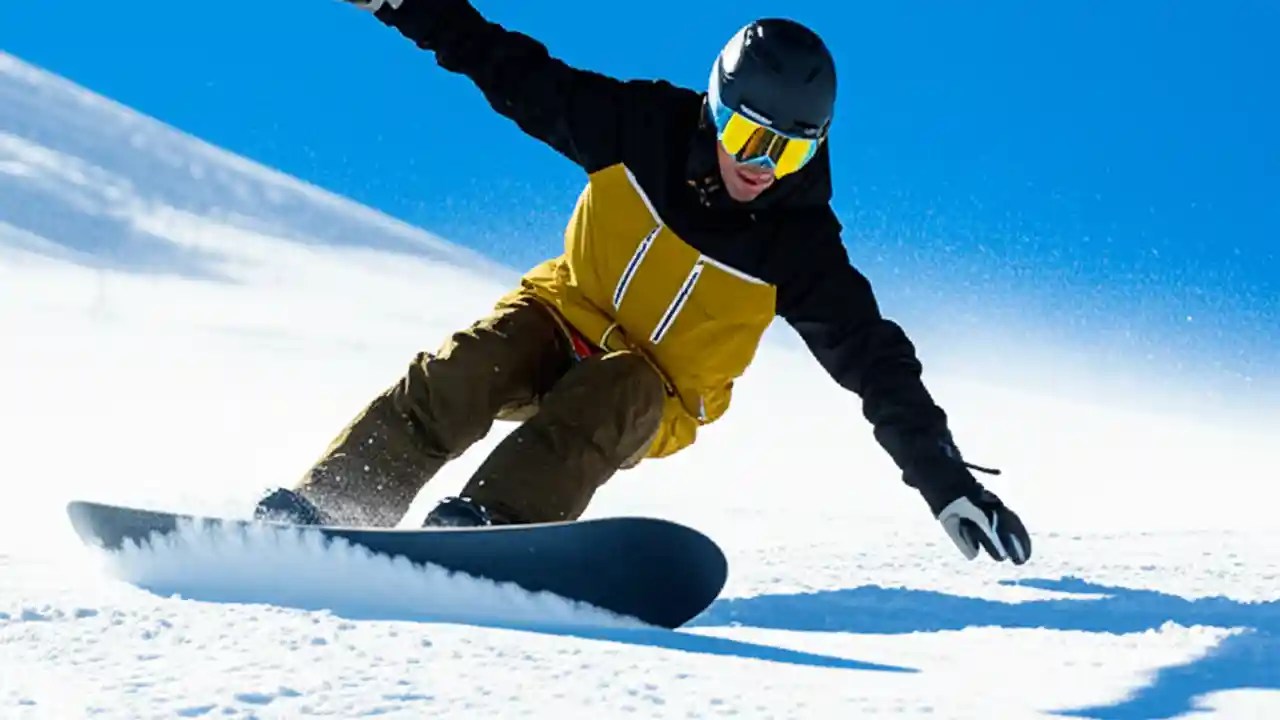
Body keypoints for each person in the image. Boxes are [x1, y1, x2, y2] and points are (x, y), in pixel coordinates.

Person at [255, 0, 1032, 565]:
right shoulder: (638, 128)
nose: (761, 167)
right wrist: (403, 4)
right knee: (470, 367)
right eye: (748, 135)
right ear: (717, 107)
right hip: (560, 315)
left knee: (614, 388)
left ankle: (487, 530)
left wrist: (945, 483)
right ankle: (330, 504)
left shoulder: (799, 247)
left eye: (789, 151)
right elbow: (508, 66)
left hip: (654, 389)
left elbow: (877, 365)